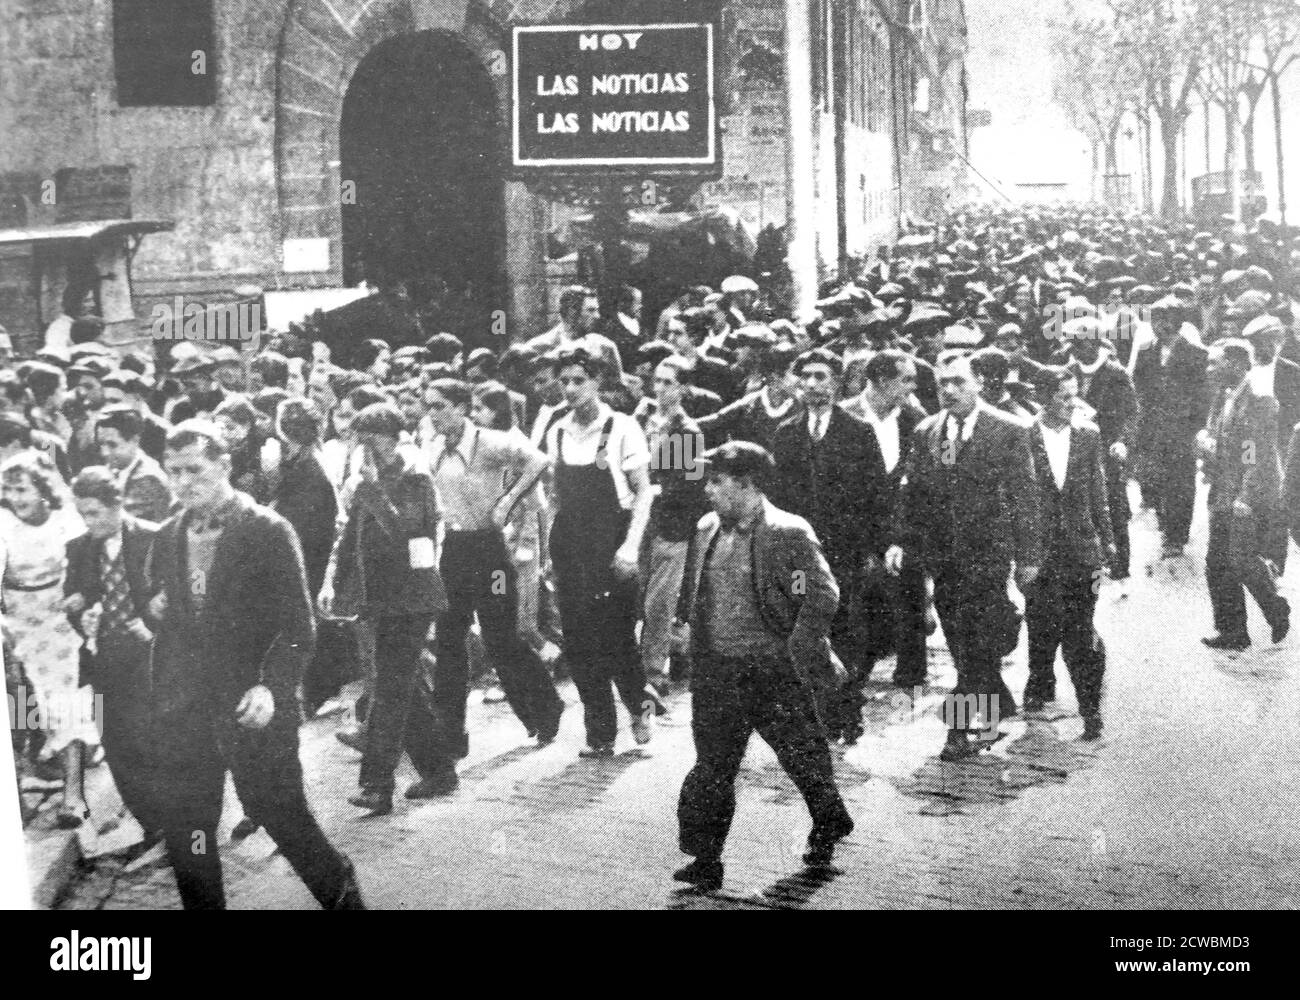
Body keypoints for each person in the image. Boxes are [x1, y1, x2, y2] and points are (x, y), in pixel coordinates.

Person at [147, 420, 364, 908]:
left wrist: (272, 687)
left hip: (253, 704)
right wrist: (156, 609)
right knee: (189, 828)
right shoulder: (167, 535)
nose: (183, 482)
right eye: (173, 471)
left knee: (281, 815)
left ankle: (343, 898)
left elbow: (299, 627)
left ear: (224, 466)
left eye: (194, 470)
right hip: (188, 708)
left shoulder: (265, 529)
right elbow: (165, 616)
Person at [672, 442, 853, 892]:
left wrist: (801, 644)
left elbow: (820, 594)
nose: (708, 490)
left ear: (749, 485)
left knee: (802, 757)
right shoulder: (706, 527)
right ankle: (705, 858)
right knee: (712, 765)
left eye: (718, 481)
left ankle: (829, 823)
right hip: (717, 670)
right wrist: (686, 630)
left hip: (772, 671)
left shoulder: (788, 533)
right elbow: (695, 589)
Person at [887, 351, 1042, 761]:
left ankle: (957, 730)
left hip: (988, 554)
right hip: (942, 558)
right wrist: (901, 540)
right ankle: (993, 706)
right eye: (942, 384)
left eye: (958, 381)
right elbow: (912, 491)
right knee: (962, 641)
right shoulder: (926, 431)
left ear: (979, 385)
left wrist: (1029, 555)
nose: (949, 390)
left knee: (978, 639)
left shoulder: (1009, 430)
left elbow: (1024, 497)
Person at [420, 379, 563, 792]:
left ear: (463, 408)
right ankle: (451, 738)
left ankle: (545, 708)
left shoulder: (491, 442)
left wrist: (507, 501)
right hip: (454, 551)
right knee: (449, 642)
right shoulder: (432, 448)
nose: (434, 414)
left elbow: (538, 462)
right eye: (429, 407)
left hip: (491, 553)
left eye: (442, 406)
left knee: (502, 639)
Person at [321, 403, 448, 814]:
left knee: (389, 689)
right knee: (402, 685)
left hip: (412, 599)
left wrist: (372, 491)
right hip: (378, 599)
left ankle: (377, 785)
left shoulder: (415, 477)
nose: (364, 450)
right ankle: (439, 769)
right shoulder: (364, 483)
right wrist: (333, 585)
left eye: (371, 440)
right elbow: (349, 538)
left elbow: (410, 537)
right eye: (360, 442)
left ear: (394, 438)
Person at [768, 348, 887, 744]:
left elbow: (876, 495)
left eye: (822, 376)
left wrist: (874, 549)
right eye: (807, 377)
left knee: (845, 630)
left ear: (837, 383)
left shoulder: (858, 432)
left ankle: (847, 714)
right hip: (800, 559)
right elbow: (778, 500)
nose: (814, 384)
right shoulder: (785, 435)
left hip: (844, 555)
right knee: (803, 628)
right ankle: (815, 714)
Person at [544, 348, 657, 756]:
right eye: (564, 381)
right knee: (577, 641)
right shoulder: (557, 429)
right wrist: (546, 552)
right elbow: (554, 499)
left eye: (578, 380)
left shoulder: (621, 426)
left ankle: (639, 706)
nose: (570, 388)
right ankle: (599, 733)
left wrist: (630, 546)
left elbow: (644, 491)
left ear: (596, 382)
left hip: (611, 539)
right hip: (570, 543)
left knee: (616, 638)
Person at [64, 467, 162, 839]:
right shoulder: (79, 548)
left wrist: (152, 624)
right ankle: (152, 826)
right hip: (106, 659)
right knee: (116, 745)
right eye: (82, 515)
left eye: (95, 513)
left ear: (116, 504)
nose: (89, 523)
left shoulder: (154, 539)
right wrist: (78, 606)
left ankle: (179, 830)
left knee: (152, 741)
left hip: (150, 658)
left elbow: (177, 597)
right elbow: (79, 596)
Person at [1, 453, 93, 827]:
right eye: (8, 489)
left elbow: (89, 569)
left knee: (71, 703)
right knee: (19, 702)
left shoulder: (66, 520)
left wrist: (82, 597)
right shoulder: (3, 524)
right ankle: (18, 787)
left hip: (60, 620)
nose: (14, 498)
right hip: (16, 620)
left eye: (22, 489)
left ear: (43, 489)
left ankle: (74, 793)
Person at [1022, 369, 1114, 740]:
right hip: (1039, 551)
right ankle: (1040, 678)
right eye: (1063, 397)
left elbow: (1098, 489)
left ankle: (1090, 708)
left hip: (1081, 548)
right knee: (1041, 620)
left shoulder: (1088, 435)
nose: (1072, 403)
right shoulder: (1022, 436)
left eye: (1074, 395)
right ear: (1044, 398)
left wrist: (1107, 541)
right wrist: (1019, 551)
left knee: (1079, 625)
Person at [840, 349, 930, 687]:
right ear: (880, 380)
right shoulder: (844, 416)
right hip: (855, 528)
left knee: (910, 595)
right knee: (855, 602)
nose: (912, 387)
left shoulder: (915, 418)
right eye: (906, 380)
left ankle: (911, 673)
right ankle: (853, 675)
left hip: (904, 525)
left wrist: (904, 533)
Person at [1200, 339, 1291, 650]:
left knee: (1239, 559)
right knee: (1217, 562)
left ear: (1237, 364)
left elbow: (1255, 453)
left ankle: (1275, 606)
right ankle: (1232, 631)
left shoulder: (1257, 399)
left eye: (1216, 363)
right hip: (1225, 490)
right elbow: (1223, 440)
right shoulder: (1225, 395)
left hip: (1248, 493)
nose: (1210, 369)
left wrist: (1245, 496)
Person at [635, 357, 710, 693]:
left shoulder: (687, 431)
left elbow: (689, 486)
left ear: (683, 388)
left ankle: (653, 671)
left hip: (671, 526)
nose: (660, 388)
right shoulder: (643, 421)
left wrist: (651, 485)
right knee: (638, 597)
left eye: (668, 383)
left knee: (660, 601)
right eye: (658, 381)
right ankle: (674, 653)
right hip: (641, 523)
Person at [1131, 297, 1208, 558]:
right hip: (1153, 428)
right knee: (1157, 478)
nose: (1157, 326)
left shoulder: (1196, 355)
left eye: (1163, 320)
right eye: (1154, 319)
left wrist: (1197, 429)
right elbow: (1138, 389)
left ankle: (1177, 535)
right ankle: (1166, 523)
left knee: (1181, 482)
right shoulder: (1145, 350)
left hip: (1182, 430)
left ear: (1176, 322)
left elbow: (1202, 398)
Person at [95, 405, 174, 523]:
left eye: (112, 445)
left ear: (134, 441)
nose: (104, 453)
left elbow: (122, 528)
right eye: (101, 444)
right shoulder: (119, 468)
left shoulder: (148, 480)